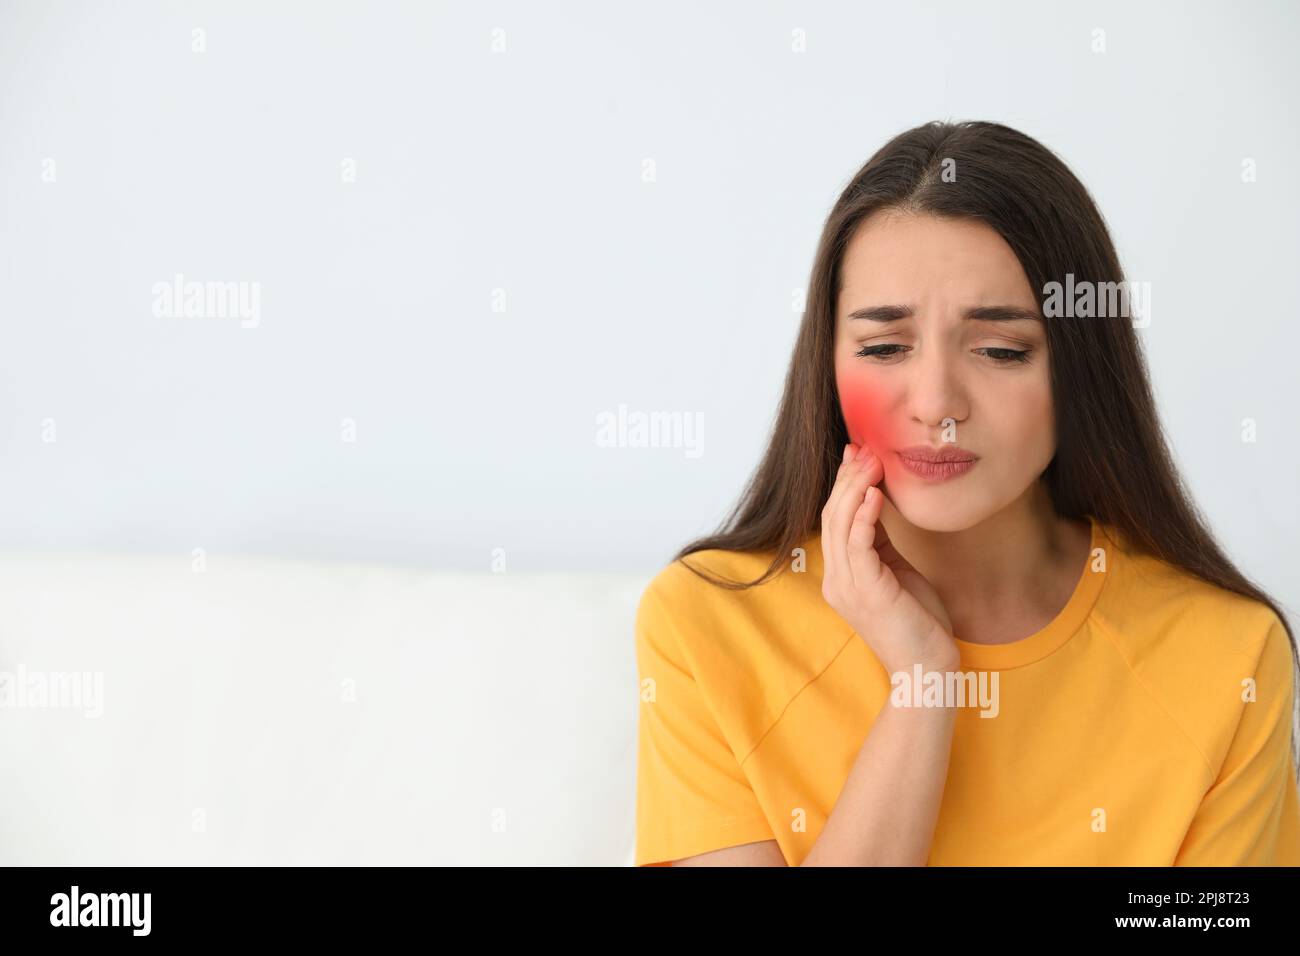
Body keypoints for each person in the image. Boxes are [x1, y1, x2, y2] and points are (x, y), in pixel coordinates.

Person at [633, 120, 1300, 866]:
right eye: (884, 348)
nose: (936, 403)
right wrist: (921, 688)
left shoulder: (1229, 657)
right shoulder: (707, 626)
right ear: (828, 366)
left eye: (1000, 350)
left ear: (1079, 368)